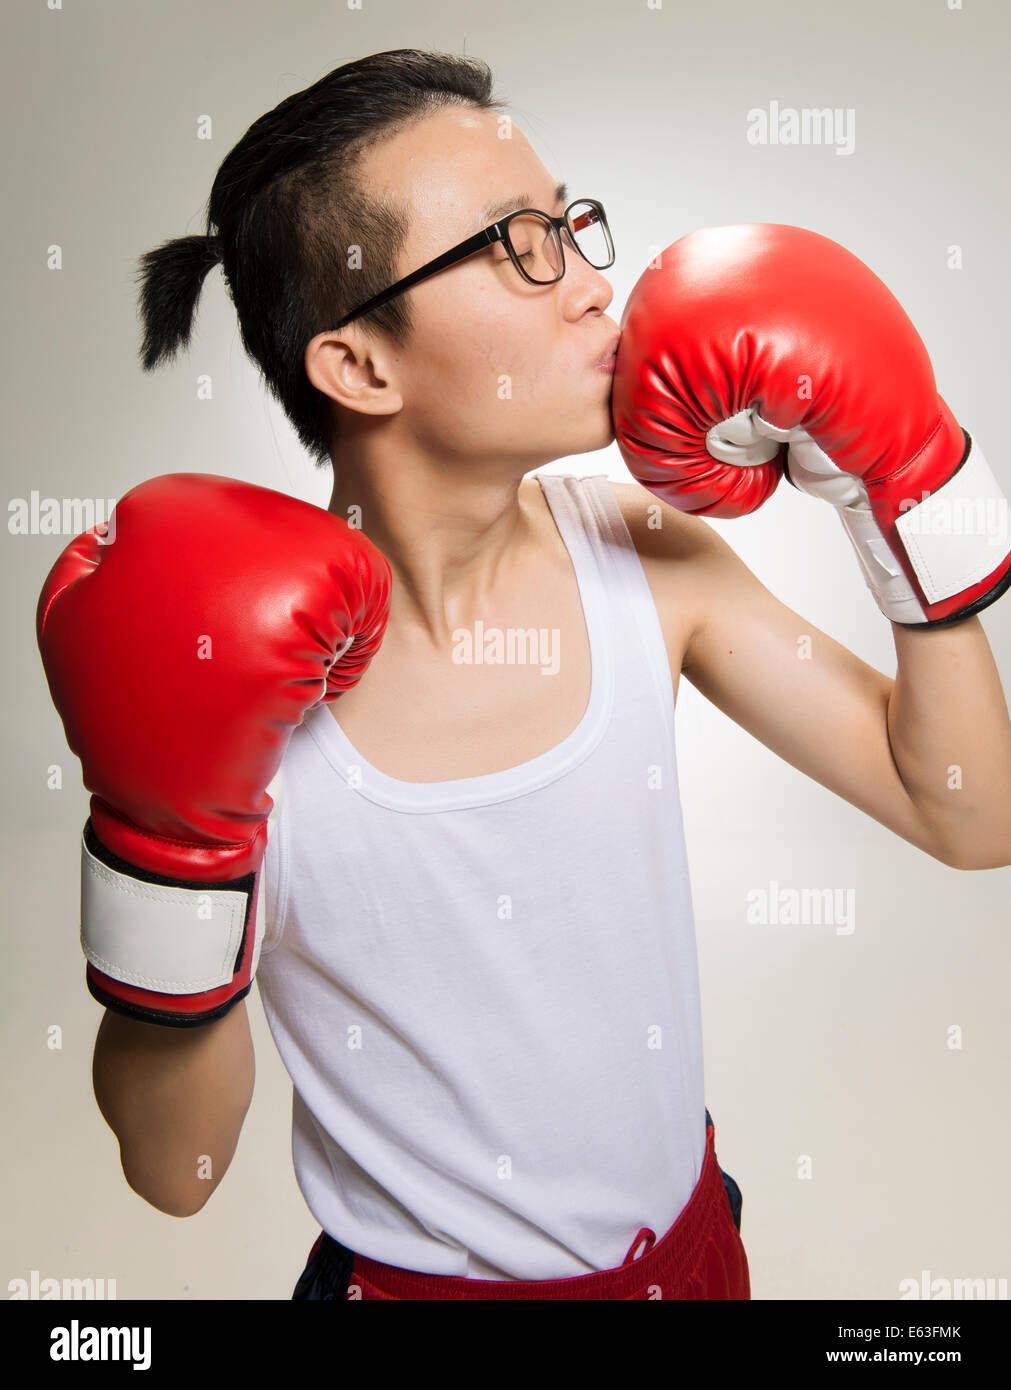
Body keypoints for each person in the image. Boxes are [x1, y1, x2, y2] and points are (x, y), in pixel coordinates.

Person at [37, 48, 1011, 1301]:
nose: (597, 284)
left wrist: (900, 499)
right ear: (359, 365)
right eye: (518, 246)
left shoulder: (642, 553)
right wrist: (162, 852)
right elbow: (180, 1171)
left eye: (572, 224)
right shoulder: (241, 696)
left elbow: (969, 810)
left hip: (694, 1260)